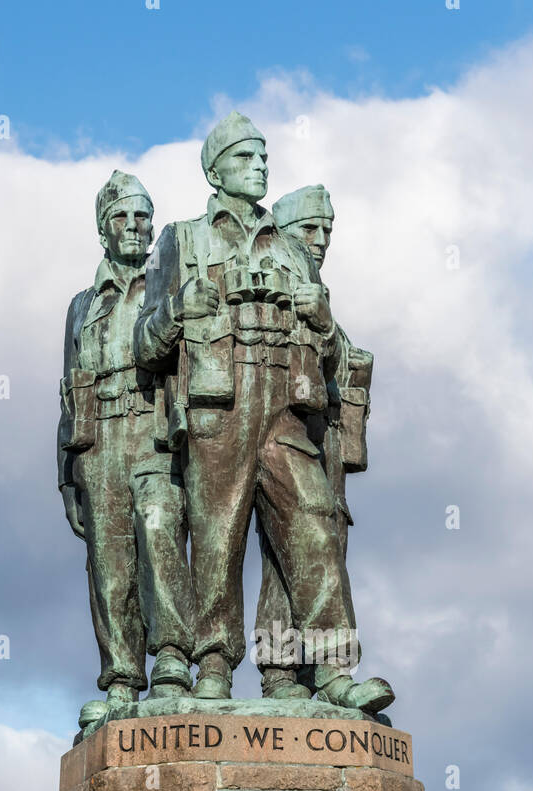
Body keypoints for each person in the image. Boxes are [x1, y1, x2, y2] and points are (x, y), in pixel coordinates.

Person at [134, 114, 393, 714]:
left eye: (263, 157)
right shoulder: (182, 238)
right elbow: (145, 345)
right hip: (218, 406)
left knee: (314, 523)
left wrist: (321, 316)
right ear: (214, 170)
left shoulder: (293, 249)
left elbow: (331, 351)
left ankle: (332, 671)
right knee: (217, 538)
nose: (259, 167)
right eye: (245, 157)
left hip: (283, 404)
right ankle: (213, 669)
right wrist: (179, 307)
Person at [58, 171, 193, 728]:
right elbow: (68, 390)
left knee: (160, 530)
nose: (135, 227)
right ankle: (120, 678)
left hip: (151, 429)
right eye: (123, 217)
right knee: (109, 565)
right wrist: (67, 476)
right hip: (98, 441)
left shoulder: (169, 282)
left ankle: (172, 661)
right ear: (102, 228)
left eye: (143, 216)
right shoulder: (82, 304)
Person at [254, 185, 374, 698]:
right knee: (299, 548)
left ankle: (290, 675)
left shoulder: (319, 299)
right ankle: (294, 670)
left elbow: (345, 365)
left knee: (305, 555)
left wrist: (327, 326)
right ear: (281, 234)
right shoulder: (277, 293)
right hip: (274, 435)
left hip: (325, 447)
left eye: (327, 229)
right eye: (309, 228)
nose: (321, 239)